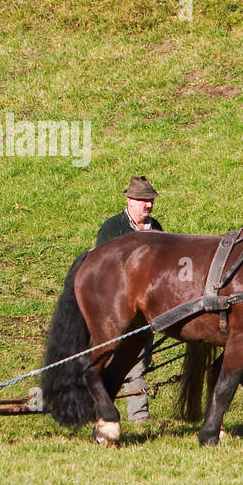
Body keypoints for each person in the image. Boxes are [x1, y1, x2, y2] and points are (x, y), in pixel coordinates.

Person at [94, 175, 163, 422]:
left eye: (151, 201)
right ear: (129, 200)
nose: (149, 205)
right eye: (144, 200)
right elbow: (102, 270)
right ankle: (100, 409)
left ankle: (139, 414)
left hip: (145, 309)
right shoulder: (112, 228)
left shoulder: (156, 229)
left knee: (139, 360)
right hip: (115, 308)